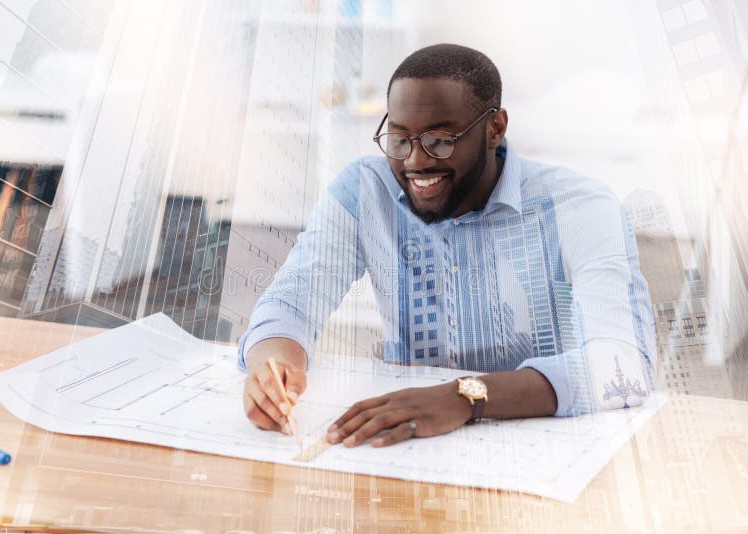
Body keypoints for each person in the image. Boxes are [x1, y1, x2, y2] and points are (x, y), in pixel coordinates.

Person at [238, 43, 656, 449]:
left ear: (496, 128)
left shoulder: (580, 207)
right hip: (409, 445)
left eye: (440, 140)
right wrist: (274, 365)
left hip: (550, 448)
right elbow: (291, 301)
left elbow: (624, 365)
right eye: (400, 140)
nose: (416, 163)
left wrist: (467, 397)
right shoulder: (366, 190)